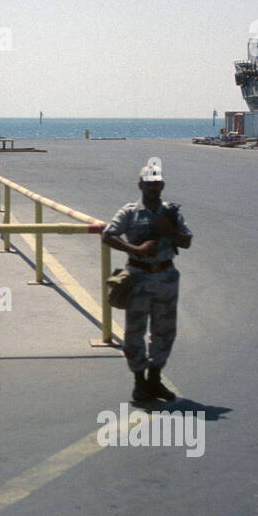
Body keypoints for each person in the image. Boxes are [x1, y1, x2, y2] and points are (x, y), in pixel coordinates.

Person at [102, 163, 193, 403]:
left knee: (165, 331)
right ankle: (139, 382)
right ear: (141, 185)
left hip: (166, 276)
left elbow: (186, 242)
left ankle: (154, 378)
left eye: (157, 184)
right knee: (134, 332)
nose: (154, 188)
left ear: (162, 185)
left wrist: (169, 230)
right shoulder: (130, 212)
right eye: (149, 184)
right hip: (139, 277)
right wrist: (136, 249)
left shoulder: (171, 212)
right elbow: (108, 235)